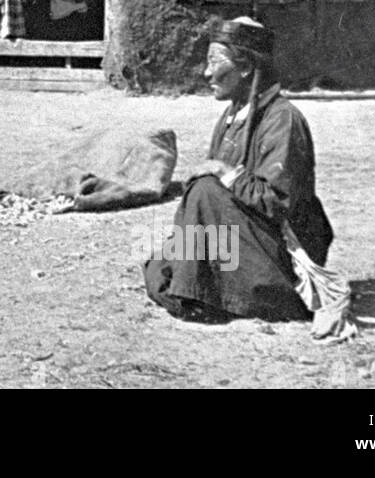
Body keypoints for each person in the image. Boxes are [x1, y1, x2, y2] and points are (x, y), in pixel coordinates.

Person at [142, 17, 335, 322]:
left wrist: (225, 172)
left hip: (282, 255)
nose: (206, 73)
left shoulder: (282, 120)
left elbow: (278, 204)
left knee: (205, 191)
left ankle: (214, 289)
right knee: (159, 269)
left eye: (214, 62)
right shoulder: (232, 117)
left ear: (245, 68)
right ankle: (202, 284)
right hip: (247, 238)